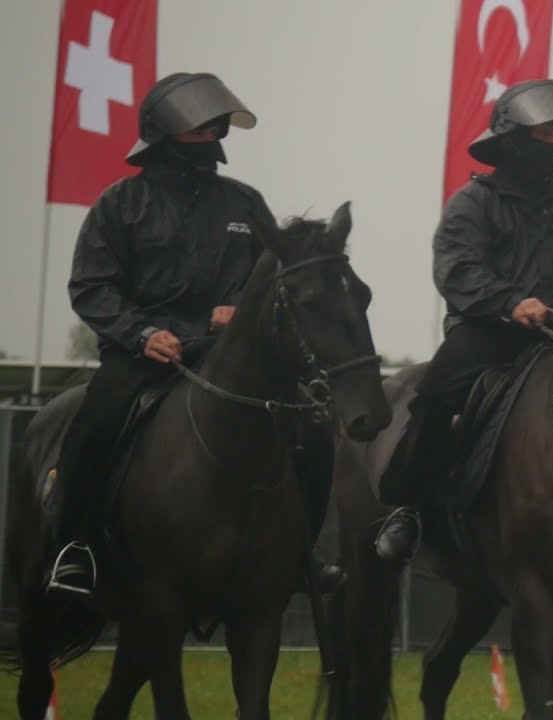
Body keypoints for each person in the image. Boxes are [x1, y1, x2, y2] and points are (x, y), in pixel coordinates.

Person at [47, 72, 342, 597]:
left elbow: (272, 280)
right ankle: (75, 549)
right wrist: (140, 333)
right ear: (163, 134)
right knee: (94, 424)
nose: (212, 139)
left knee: (314, 429)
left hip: (225, 355)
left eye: (216, 129)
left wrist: (244, 307)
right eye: (199, 130)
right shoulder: (119, 205)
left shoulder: (244, 202)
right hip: (143, 355)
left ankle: (303, 552)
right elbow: (91, 286)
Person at [374, 79, 553, 562]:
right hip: (489, 331)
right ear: (511, 135)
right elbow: (456, 270)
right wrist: (511, 302)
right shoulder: (474, 202)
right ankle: (408, 508)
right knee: (436, 394)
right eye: (544, 132)